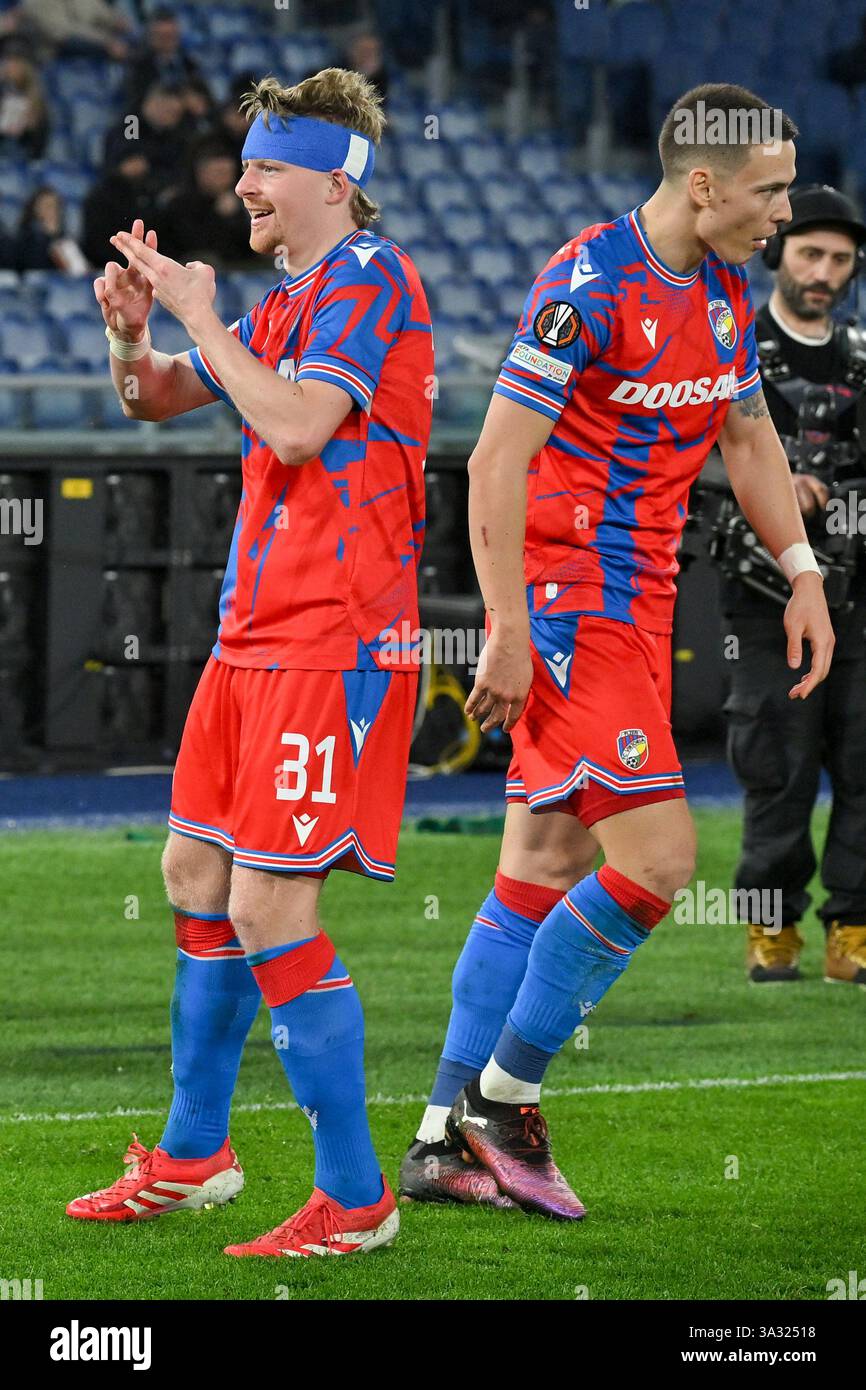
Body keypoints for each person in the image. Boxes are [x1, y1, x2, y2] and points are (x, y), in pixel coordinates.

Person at [398, 82, 835, 1219]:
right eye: (769, 189)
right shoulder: (585, 286)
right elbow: (490, 463)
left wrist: (801, 573)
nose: (783, 212)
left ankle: (442, 1135)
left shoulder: (725, 293)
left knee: (536, 868)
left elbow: (745, 435)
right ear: (702, 185)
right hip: (565, 602)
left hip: (635, 605)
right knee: (659, 860)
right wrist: (501, 625)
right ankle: (505, 1099)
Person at [66, 67, 434, 1260]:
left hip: (334, 639)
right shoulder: (288, 297)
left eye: (268, 169)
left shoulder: (372, 282)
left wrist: (199, 315)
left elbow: (291, 424)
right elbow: (155, 401)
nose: (245, 184)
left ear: (337, 180)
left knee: (270, 900)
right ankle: (193, 1156)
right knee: (191, 872)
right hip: (252, 638)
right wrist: (131, 333)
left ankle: (356, 1197)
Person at [719, 184, 866, 986]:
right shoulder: (730, 346)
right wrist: (778, 489)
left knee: (864, 758)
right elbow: (701, 460)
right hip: (762, 594)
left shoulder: (861, 357)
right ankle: (771, 930)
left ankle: (855, 927)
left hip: (857, 590)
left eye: (841, 260)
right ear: (777, 252)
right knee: (776, 764)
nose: (825, 271)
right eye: (811, 252)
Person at [159, 137, 258, 268]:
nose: (226, 179)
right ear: (201, 173)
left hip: (243, 274)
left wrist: (236, 216)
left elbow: (252, 247)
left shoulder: (242, 201)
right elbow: (193, 245)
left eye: (229, 172)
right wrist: (219, 217)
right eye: (219, 173)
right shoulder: (181, 204)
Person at [81, 149, 163, 270]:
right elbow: (97, 243)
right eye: (133, 160)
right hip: (107, 267)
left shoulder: (150, 192)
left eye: (141, 158)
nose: (139, 165)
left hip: (148, 263)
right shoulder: (100, 198)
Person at [124, 6, 211, 114]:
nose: (167, 42)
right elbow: (137, 105)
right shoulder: (138, 68)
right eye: (162, 37)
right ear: (150, 37)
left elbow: (207, 100)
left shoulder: (191, 65)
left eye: (171, 36)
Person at [8, 186, 89, 272]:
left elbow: (79, 268)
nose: (52, 210)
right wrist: (48, 238)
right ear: (35, 209)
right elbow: (32, 267)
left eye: (56, 206)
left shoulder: (65, 238)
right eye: (47, 205)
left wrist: (55, 236)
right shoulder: (24, 237)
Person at [0, 42, 48, 159]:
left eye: (16, 62)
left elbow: (39, 141)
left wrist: (29, 127)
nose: (10, 66)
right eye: (8, 61)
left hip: (22, 152)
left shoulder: (35, 97)